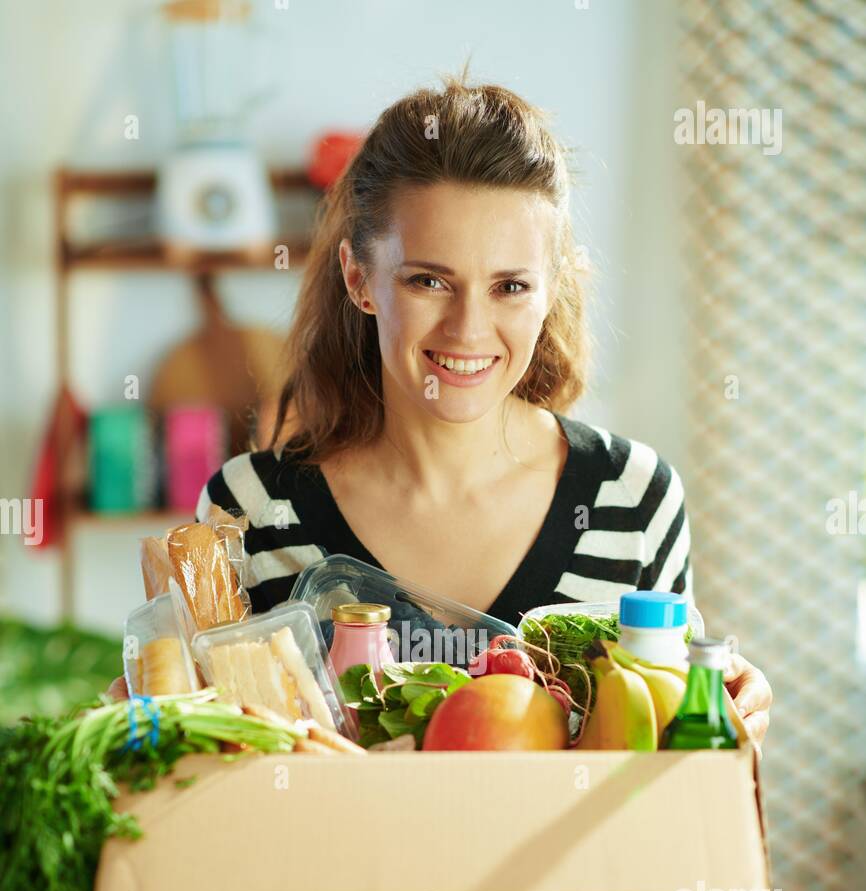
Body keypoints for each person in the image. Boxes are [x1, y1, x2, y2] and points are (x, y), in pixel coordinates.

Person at [129, 75, 773, 742]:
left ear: (551, 290)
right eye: (429, 280)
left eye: (510, 286)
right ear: (359, 279)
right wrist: (151, 719)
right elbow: (215, 765)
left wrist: (724, 698)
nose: (468, 329)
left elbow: (666, 757)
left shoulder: (633, 499)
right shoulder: (250, 510)